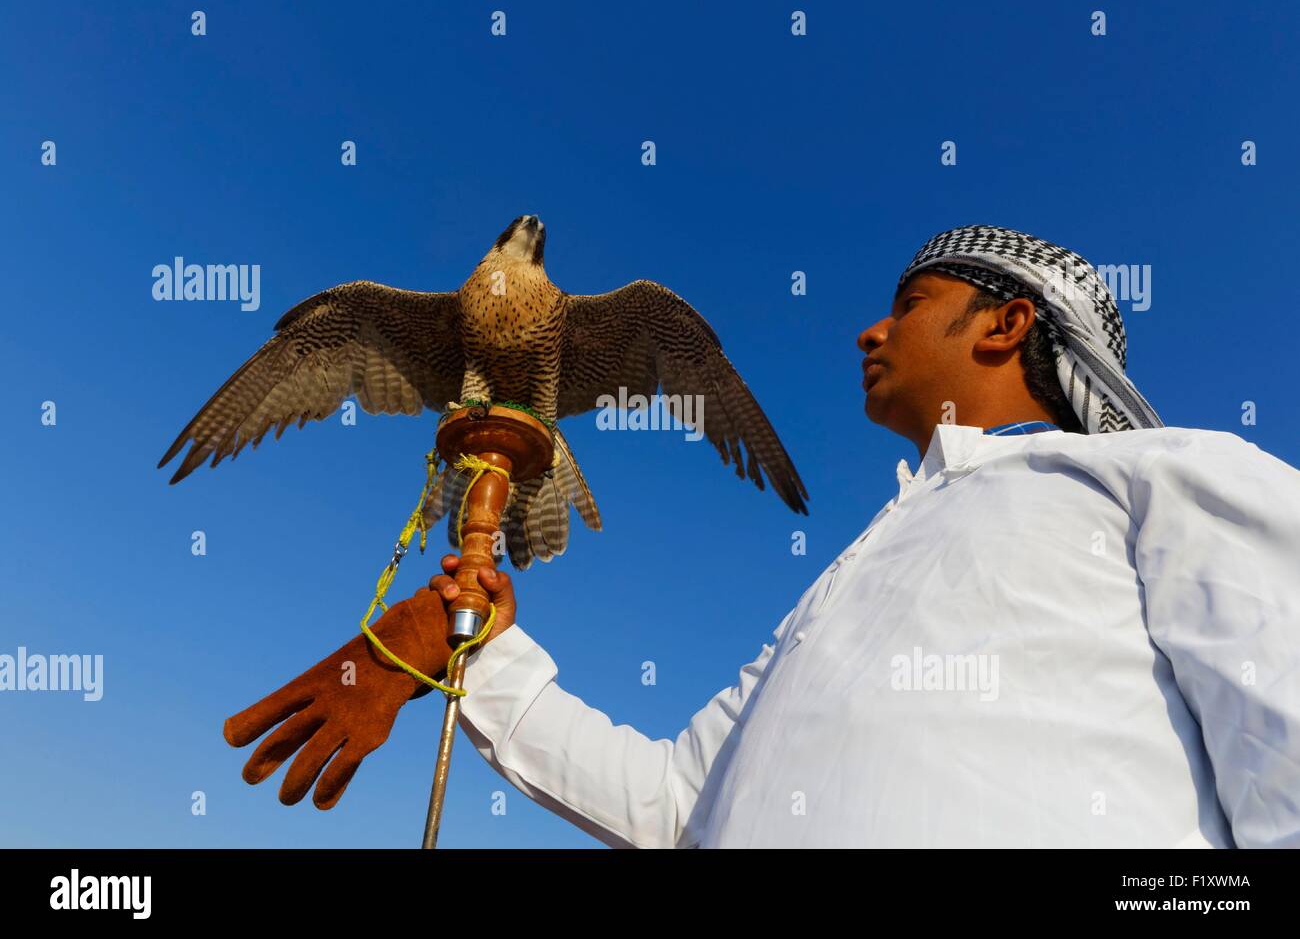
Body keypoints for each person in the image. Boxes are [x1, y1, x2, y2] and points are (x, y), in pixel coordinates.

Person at [225, 225, 1300, 848]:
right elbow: (673, 802)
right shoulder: (838, 588)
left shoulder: (1161, 474)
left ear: (1009, 320)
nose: (868, 327)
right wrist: (480, 651)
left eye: (911, 302)